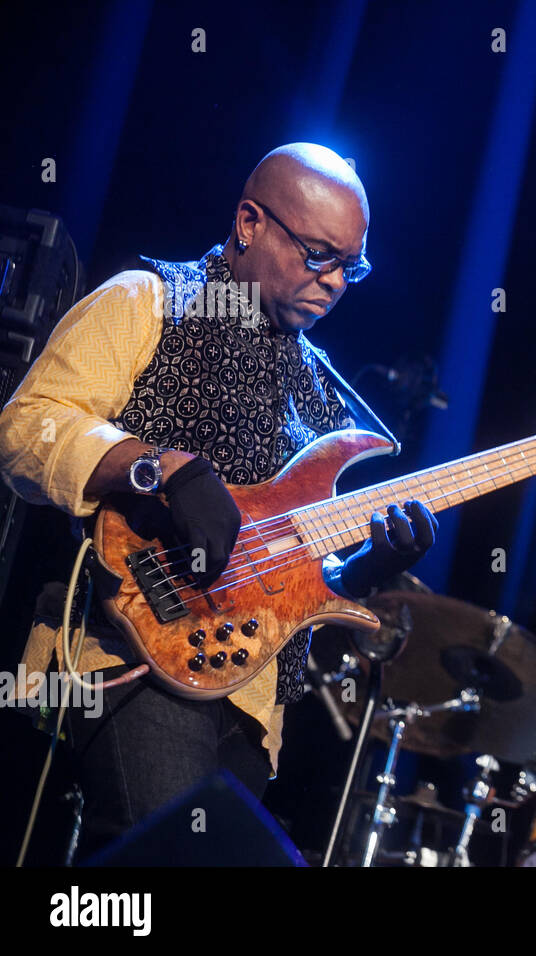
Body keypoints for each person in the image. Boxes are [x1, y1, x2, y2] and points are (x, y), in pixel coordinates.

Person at [0, 143, 436, 859]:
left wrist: (364, 568)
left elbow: (291, 582)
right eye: (318, 255)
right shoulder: (150, 300)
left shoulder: (322, 393)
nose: (333, 283)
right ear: (248, 223)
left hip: (251, 697)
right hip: (122, 651)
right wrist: (159, 468)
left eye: (350, 267)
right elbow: (27, 426)